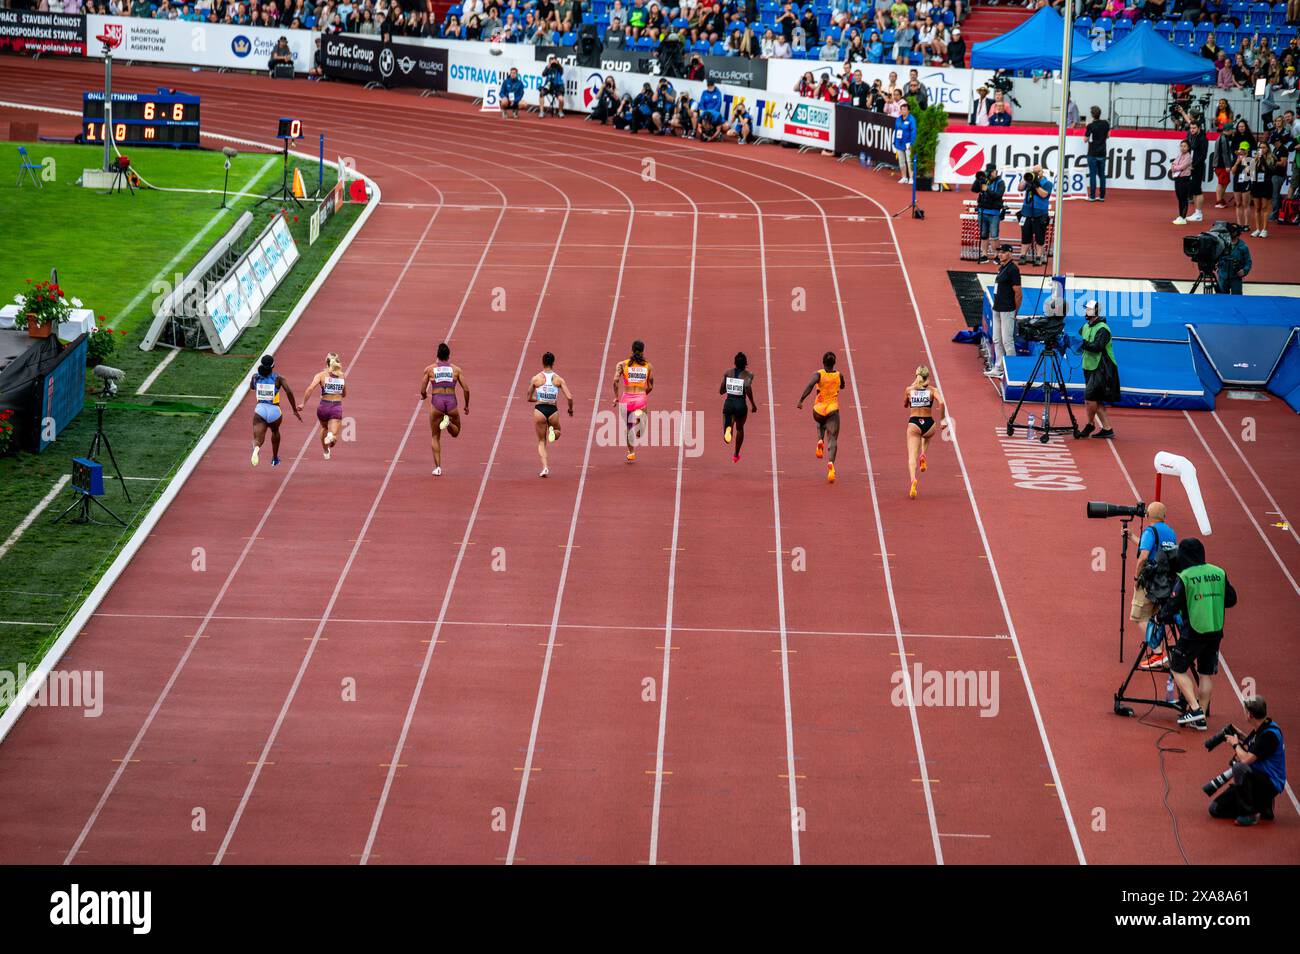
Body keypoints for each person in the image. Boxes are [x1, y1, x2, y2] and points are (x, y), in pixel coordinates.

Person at [1169, 537, 1237, 730]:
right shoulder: (1218, 572)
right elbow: (1232, 600)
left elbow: (1173, 604)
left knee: (1177, 668)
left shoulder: (1186, 576)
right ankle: (1201, 720)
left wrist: (1160, 616)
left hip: (1194, 631)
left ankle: (1195, 708)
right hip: (1215, 630)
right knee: (1205, 673)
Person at [1207, 696, 1287, 827]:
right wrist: (1239, 734)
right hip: (1257, 778)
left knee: (1239, 767)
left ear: (1249, 714)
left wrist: (1235, 744)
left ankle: (1249, 814)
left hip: (1269, 782)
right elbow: (1256, 746)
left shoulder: (1269, 735)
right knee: (1215, 809)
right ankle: (1261, 806)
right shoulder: (1265, 726)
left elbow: (1245, 760)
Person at [1129, 501, 1178, 669]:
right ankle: (1160, 651)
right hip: (1165, 583)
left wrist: (1137, 578)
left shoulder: (1150, 531)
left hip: (1149, 582)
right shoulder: (1171, 533)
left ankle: (1157, 652)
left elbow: (1143, 557)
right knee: (1155, 617)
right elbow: (1154, 549)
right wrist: (1132, 537)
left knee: (1138, 616)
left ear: (1148, 516)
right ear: (1164, 516)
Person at [420, 342, 470, 477]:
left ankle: (437, 468)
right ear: (449, 356)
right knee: (455, 433)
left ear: (437, 355)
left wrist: (424, 396)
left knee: (435, 436)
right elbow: (466, 389)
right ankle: (448, 423)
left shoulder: (430, 369)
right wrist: (466, 405)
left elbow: (423, 389)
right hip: (451, 401)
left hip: (437, 402)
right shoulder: (456, 370)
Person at [796, 351, 846, 485]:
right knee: (833, 438)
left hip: (818, 408)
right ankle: (831, 463)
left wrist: (801, 400)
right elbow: (843, 385)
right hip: (832, 409)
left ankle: (819, 440)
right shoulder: (839, 375)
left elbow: (810, 385)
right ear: (834, 363)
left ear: (823, 363)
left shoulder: (818, 374)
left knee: (820, 422)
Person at [526, 351, 574, 478]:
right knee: (558, 431)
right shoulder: (558, 379)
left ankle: (545, 467)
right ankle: (553, 432)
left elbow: (528, 397)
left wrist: (538, 398)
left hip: (539, 410)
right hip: (553, 410)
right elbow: (569, 397)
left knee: (541, 441)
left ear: (542, 362)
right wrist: (570, 410)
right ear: (553, 363)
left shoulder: (536, 378)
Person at [249, 354, 301, 467]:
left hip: (260, 410)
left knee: (258, 439)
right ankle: (274, 458)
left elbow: (252, 387)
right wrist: (294, 410)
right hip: (274, 411)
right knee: (275, 431)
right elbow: (289, 392)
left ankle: (256, 448)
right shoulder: (278, 378)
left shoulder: (255, 377)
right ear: (273, 366)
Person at [1077, 299, 1118, 440]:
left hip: (1102, 367)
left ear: (1095, 311)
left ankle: (1090, 424)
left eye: (1088, 309)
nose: (1086, 312)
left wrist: (1080, 343)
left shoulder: (1103, 329)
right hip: (1088, 365)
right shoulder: (1086, 326)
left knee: (1090, 398)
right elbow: (1078, 338)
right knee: (1097, 400)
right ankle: (1107, 429)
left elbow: (1097, 347)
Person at [903, 365, 947, 499]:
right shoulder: (933, 390)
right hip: (929, 424)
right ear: (928, 376)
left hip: (914, 424)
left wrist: (912, 394)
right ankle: (923, 454)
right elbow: (942, 403)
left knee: (911, 457)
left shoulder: (909, 390)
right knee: (926, 437)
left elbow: (905, 404)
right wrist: (943, 420)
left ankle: (913, 480)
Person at [300, 352, 347, 461]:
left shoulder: (320, 375)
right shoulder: (342, 376)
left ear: (326, 362)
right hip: (336, 407)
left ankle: (326, 451)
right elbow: (344, 394)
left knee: (324, 427)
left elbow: (310, 388)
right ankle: (331, 436)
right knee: (334, 434)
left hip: (323, 407)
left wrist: (303, 403)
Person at [611, 340, 653, 463]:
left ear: (631, 350)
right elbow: (650, 386)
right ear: (643, 350)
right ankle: (640, 427)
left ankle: (631, 452)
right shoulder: (648, 366)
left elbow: (615, 381)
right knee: (642, 424)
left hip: (626, 399)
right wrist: (643, 395)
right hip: (640, 398)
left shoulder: (622, 365)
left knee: (628, 427)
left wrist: (616, 397)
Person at [987, 243, 1021, 379]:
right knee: (997, 339)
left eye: (1003, 252)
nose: (1000, 254)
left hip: (1007, 309)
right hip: (997, 308)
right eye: (999, 252)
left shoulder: (1013, 269)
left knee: (1007, 340)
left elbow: (1018, 293)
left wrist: (1015, 311)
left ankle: (1013, 371)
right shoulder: (1002, 267)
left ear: (1010, 253)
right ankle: (998, 367)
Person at [720, 351, 759, 464]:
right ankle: (736, 454)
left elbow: (721, 391)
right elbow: (748, 389)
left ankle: (728, 429)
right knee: (740, 428)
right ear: (745, 364)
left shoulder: (728, 373)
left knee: (728, 421)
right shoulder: (749, 375)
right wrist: (753, 404)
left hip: (729, 403)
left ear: (735, 363)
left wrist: (730, 386)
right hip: (741, 405)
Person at [1018, 166, 1053, 266]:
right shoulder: (1029, 182)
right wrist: (1026, 179)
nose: (1036, 174)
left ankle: (1038, 257)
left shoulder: (1047, 183)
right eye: (1034, 172)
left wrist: (1036, 186)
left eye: (1038, 172)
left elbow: (1044, 195)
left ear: (1043, 172)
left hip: (1040, 213)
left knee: (1039, 237)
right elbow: (1020, 188)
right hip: (1026, 212)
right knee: (1025, 236)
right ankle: (1022, 256)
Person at [973, 161, 1005, 263]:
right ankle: (984, 255)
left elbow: (998, 195)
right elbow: (974, 190)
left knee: (994, 235)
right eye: (993, 171)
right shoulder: (984, 181)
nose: (995, 173)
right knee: (983, 234)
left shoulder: (1000, 182)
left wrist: (987, 190)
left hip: (994, 213)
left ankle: (997, 256)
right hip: (983, 211)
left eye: (995, 171)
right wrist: (978, 180)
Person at [1184, 116, 1208, 222]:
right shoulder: (1190, 135)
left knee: (1197, 189)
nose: (1192, 130)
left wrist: (1193, 165)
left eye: (1194, 128)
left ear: (1199, 128)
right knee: (1193, 189)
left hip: (1198, 167)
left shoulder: (1203, 139)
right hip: (1190, 166)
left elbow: (1203, 155)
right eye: (1191, 128)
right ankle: (1196, 213)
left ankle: (1199, 213)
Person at [1216, 226, 1252, 294]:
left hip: (1236, 278)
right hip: (1223, 276)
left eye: (1233, 232)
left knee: (1237, 299)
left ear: (1237, 234)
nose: (1230, 234)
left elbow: (1248, 262)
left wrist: (1244, 270)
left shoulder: (1243, 247)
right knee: (1221, 299)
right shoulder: (1222, 244)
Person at [1084, 106, 1109, 202]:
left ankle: (1093, 196)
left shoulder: (1091, 125)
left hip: (1093, 153)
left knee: (1093, 174)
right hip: (1102, 152)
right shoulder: (1106, 123)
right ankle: (1102, 196)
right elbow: (1108, 136)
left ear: (1092, 115)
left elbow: (1085, 140)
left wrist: (1087, 128)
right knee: (1102, 175)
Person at [1170, 139, 1195, 225]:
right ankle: (1180, 216)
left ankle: (1183, 217)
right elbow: (1173, 163)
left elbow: (1182, 167)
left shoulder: (1188, 156)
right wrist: (1174, 166)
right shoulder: (1179, 155)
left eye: (1184, 146)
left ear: (1188, 148)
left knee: (1184, 198)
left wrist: (1174, 167)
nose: (1182, 148)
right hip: (1177, 178)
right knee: (1179, 197)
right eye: (1181, 146)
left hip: (1184, 179)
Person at [893, 100, 917, 184]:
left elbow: (913, 131)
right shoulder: (898, 119)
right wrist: (894, 142)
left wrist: (912, 143)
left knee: (909, 161)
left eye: (904, 110)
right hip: (899, 143)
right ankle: (904, 177)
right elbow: (895, 131)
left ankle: (911, 178)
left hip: (907, 144)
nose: (903, 111)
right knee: (901, 161)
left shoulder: (911, 119)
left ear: (908, 110)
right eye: (902, 109)